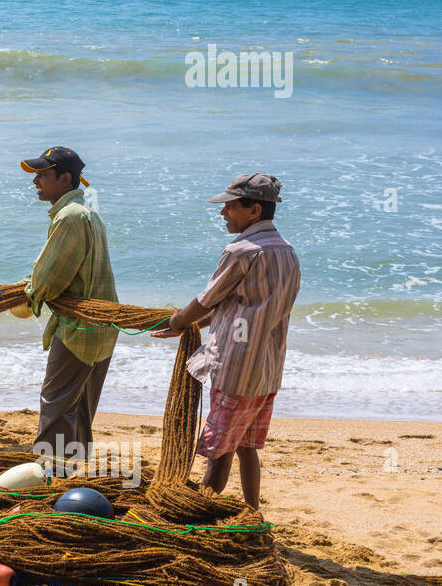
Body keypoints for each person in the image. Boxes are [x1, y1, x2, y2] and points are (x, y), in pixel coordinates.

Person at [151, 173, 300, 508]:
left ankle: (202, 513)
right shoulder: (287, 252)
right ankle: (253, 511)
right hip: (267, 370)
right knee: (246, 446)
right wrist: (190, 325)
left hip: (235, 369)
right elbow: (238, 306)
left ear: (254, 211)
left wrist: (178, 320)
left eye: (230, 207)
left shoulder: (242, 251)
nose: (223, 213)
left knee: (218, 451)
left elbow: (207, 299)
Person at [16, 146, 118, 459]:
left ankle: (51, 473)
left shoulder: (70, 218)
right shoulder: (87, 213)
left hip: (78, 330)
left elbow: (48, 281)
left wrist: (24, 296)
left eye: (43, 175)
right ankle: (75, 474)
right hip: (103, 328)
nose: (36, 181)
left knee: (56, 404)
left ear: (65, 179)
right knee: (82, 411)